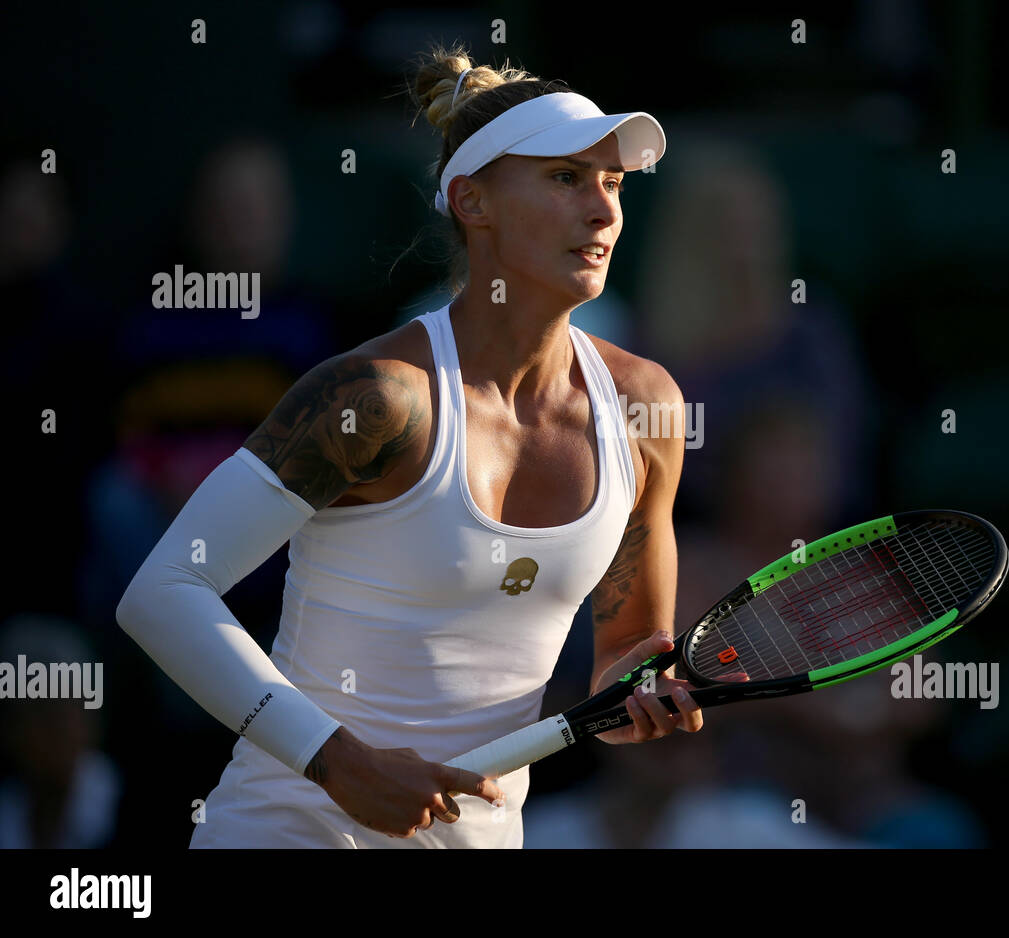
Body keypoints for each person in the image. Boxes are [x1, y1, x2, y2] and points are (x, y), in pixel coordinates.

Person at [116, 42, 706, 848]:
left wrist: (639, 696)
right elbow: (163, 590)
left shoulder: (648, 407)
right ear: (472, 201)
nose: (603, 210)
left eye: (612, 183)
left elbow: (628, 654)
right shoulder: (374, 397)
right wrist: (336, 760)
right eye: (566, 179)